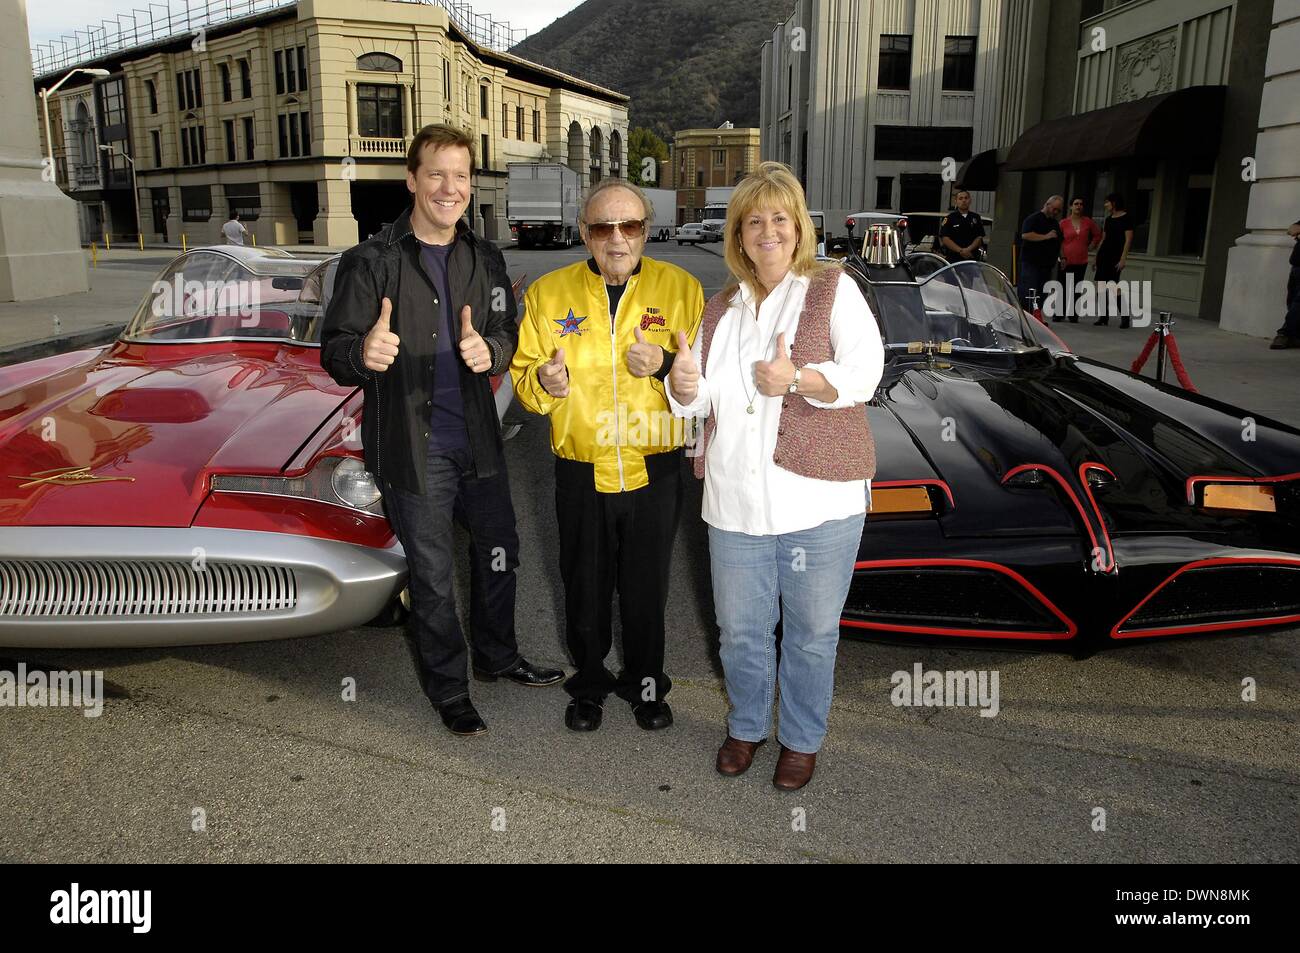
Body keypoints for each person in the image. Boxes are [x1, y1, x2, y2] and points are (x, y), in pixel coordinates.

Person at [320, 124, 561, 737]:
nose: (450, 188)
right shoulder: (370, 261)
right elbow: (335, 350)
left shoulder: (486, 257)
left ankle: (498, 656)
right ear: (412, 180)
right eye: (437, 174)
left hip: (478, 440)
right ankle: (450, 690)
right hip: (411, 443)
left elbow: (507, 331)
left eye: (460, 175)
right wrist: (362, 355)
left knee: (499, 550)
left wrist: (495, 350)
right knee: (431, 575)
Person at [667, 162, 884, 791]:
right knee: (740, 633)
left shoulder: (832, 289)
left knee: (812, 635)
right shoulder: (719, 310)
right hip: (734, 504)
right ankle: (746, 725)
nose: (768, 231)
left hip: (820, 503)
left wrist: (802, 380)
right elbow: (697, 403)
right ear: (737, 234)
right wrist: (682, 387)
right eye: (754, 220)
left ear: (798, 229)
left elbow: (866, 372)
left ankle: (801, 737)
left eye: (780, 219)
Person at [510, 179, 704, 734]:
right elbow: (525, 386)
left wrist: (668, 365)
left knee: (646, 586)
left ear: (647, 229)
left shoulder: (682, 288)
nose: (617, 239)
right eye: (602, 227)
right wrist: (545, 382)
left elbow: (703, 384)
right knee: (584, 582)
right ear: (584, 233)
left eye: (630, 226)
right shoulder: (548, 294)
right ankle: (590, 684)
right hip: (581, 465)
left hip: (655, 465)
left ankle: (646, 686)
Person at [1053, 197, 1101, 322]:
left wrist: (1091, 245)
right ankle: (1059, 313)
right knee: (1062, 287)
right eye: (1076, 204)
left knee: (1076, 288)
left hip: (1081, 260)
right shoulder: (1063, 223)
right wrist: (1062, 257)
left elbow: (1098, 234)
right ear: (1070, 207)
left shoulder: (1088, 222)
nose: (1078, 206)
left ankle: (1073, 314)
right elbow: (1058, 241)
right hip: (1066, 260)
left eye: (1081, 204)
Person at [1093, 192, 1135, 328]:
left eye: (1107, 202)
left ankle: (1125, 317)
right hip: (1104, 254)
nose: (1105, 205)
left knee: (1113, 286)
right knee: (1100, 286)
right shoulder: (1109, 219)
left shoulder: (1126, 218)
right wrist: (1096, 257)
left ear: (1114, 203)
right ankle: (1103, 317)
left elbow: (1128, 240)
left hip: (1115, 256)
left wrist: (1123, 258)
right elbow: (1104, 238)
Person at [1018, 195, 1063, 312]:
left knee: (1042, 291)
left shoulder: (1054, 223)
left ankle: (1037, 314)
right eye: (1054, 209)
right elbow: (1025, 235)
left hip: (1047, 264)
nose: (1056, 212)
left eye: (1059, 210)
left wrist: (1062, 257)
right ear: (1047, 205)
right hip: (1031, 262)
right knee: (1029, 290)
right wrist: (1046, 236)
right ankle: (1026, 314)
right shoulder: (1034, 219)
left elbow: (1059, 241)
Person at [1269, 219, 1300, 350]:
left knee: (1298, 302)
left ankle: (1284, 334)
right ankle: (1294, 337)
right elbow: (1291, 229)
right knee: (1292, 302)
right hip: (1296, 266)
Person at [938, 189, 986, 264]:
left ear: (970, 200)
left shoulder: (976, 217)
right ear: (956, 201)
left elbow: (979, 237)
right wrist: (960, 250)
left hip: (971, 257)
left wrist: (968, 250)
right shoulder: (949, 218)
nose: (964, 200)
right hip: (953, 259)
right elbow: (945, 238)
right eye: (960, 198)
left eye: (966, 198)